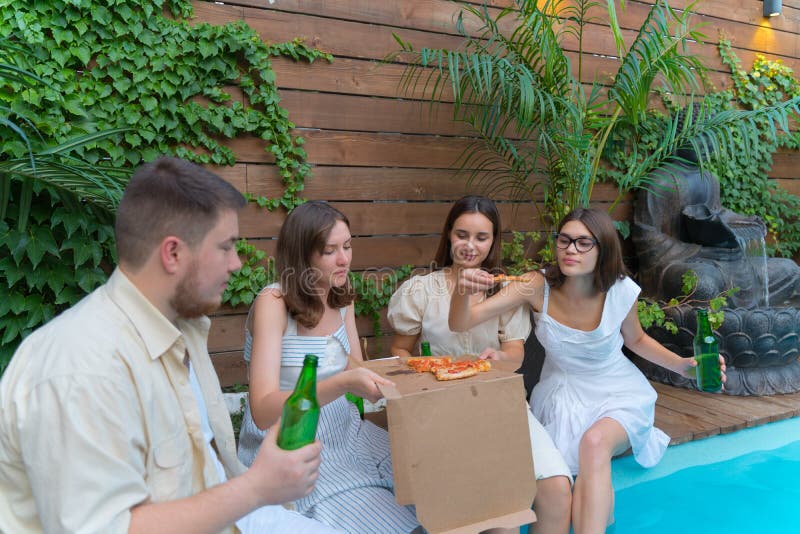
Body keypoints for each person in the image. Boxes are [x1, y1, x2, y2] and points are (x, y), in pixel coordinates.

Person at [0, 157, 336, 533]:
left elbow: (197, 484)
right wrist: (257, 488)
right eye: (226, 247)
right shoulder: (82, 370)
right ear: (173, 253)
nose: (237, 264)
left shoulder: (180, 331)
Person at [449, 207, 727, 534]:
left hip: (617, 393)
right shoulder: (536, 285)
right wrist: (462, 291)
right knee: (562, 474)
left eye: (584, 243)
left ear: (603, 249)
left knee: (595, 442)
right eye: (564, 240)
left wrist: (684, 367)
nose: (570, 249)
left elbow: (636, 340)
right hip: (560, 397)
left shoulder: (620, 290)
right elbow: (461, 322)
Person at [387, 195, 572, 534]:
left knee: (557, 487)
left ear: (493, 241)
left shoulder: (503, 289)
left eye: (481, 237)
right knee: (497, 515)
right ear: (448, 235)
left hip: (501, 403)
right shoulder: (421, 290)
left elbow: (515, 353)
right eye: (462, 235)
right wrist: (423, 367)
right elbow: (400, 350)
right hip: (440, 408)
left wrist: (502, 359)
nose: (470, 245)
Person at [237, 200, 420, 534]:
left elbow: (352, 364)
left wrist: (413, 374)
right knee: (390, 523)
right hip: (291, 439)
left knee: (426, 477)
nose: (344, 259)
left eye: (348, 246)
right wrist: (344, 384)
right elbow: (263, 410)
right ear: (303, 254)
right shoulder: (273, 303)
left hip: (344, 429)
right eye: (330, 250)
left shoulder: (341, 295)